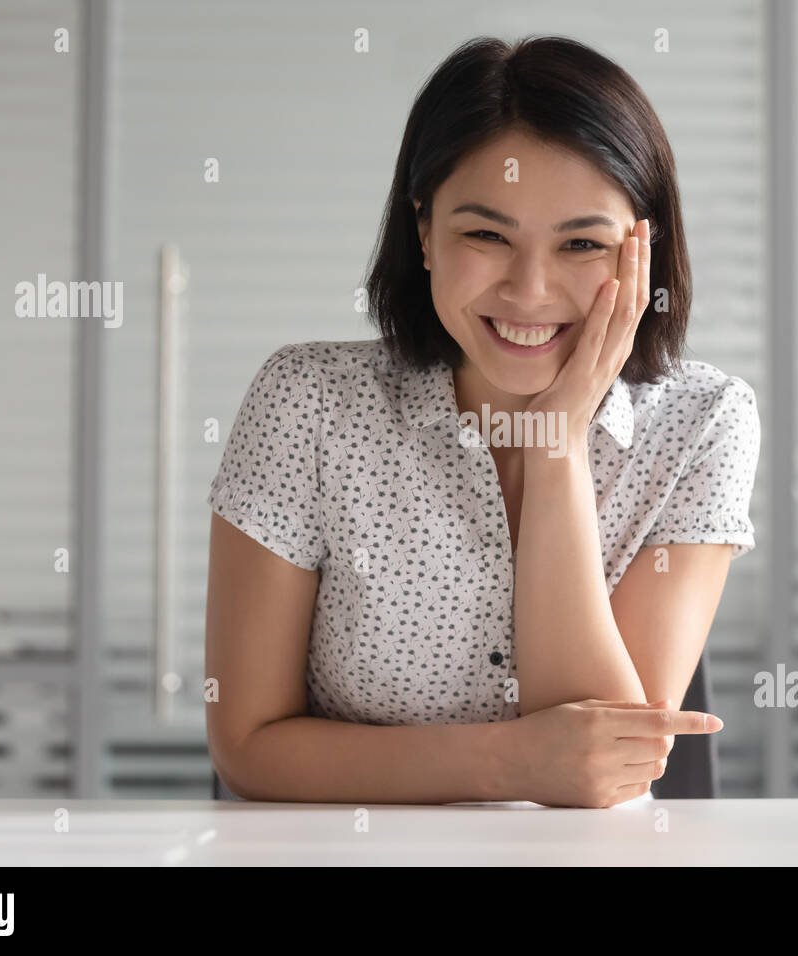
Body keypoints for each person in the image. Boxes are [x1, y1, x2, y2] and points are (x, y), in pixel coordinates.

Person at [204, 35, 760, 808]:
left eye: (583, 244)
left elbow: (611, 764)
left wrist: (557, 444)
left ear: (644, 255)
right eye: (487, 235)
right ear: (424, 231)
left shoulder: (704, 422)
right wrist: (512, 764)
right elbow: (248, 745)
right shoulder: (308, 401)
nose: (529, 291)